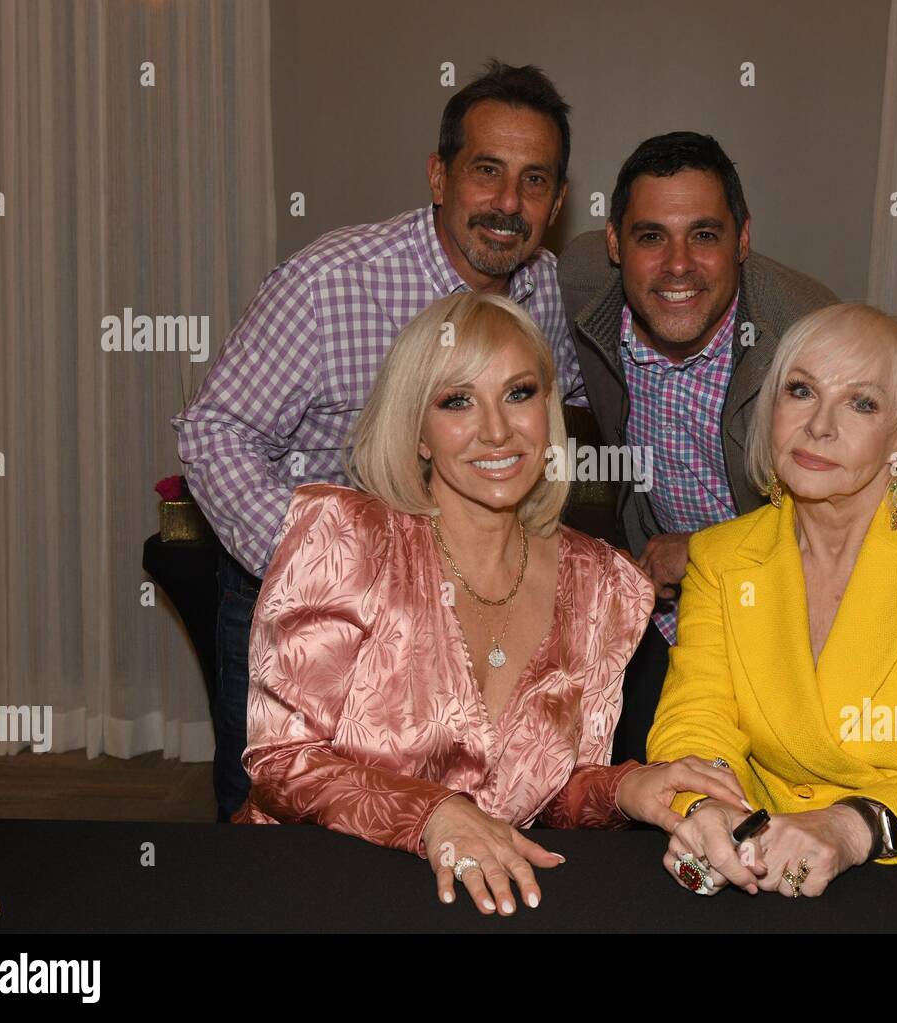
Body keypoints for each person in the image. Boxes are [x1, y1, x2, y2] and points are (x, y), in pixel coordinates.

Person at [233, 291, 749, 915]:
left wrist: (630, 789)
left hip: (486, 898)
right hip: (315, 889)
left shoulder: (603, 585)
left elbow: (554, 798)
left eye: (519, 393)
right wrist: (434, 814)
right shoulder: (344, 538)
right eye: (457, 401)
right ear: (417, 432)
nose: (498, 430)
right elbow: (282, 764)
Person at [171, 60, 588, 821]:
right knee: (279, 813)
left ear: (558, 200)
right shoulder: (331, 283)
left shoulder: (544, 288)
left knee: (432, 807)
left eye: (535, 181)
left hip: (463, 607)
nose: (507, 202)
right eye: (486, 171)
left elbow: (565, 405)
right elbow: (214, 429)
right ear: (439, 176)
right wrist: (322, 568)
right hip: (308, 610)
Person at [646, 302, 897, 899]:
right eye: (801, 390)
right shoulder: (722, 556)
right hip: (774, 866)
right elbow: (696, 720)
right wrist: (706, 804)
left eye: (862, 403)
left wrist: (853, 824)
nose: (819, 425)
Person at [557, 132, 838, 763]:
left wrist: (709, 551)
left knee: (788, 792)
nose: (677, 264)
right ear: (613, 244)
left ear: (742, 240)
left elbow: (859, 511)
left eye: (705, 235)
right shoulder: (579, 280)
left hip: (784, 613)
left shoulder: (809, 337)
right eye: (651, 236)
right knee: (626, 789)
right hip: (662, 617)